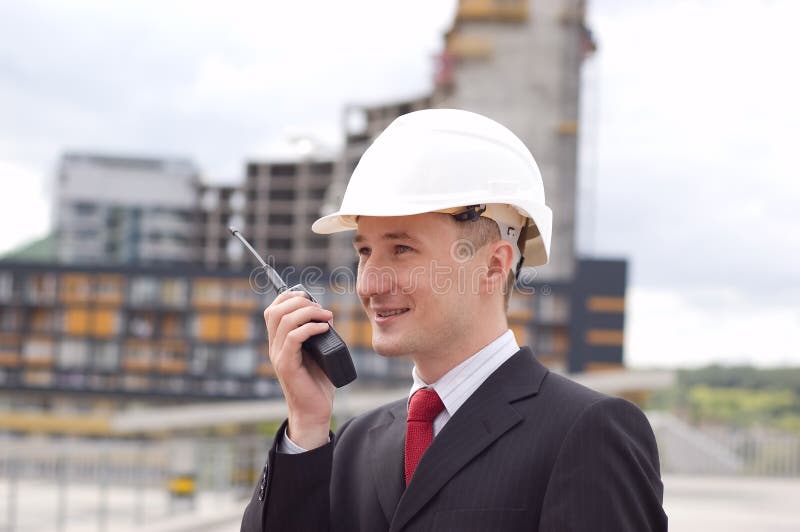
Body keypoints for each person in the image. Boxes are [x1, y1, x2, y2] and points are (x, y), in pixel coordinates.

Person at [240, 109, 667, 532]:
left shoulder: (588, 433)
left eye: (402, 249)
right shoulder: (351, 444)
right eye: (365, 252)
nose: (369, 284)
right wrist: (306, 424)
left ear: (494, 266)